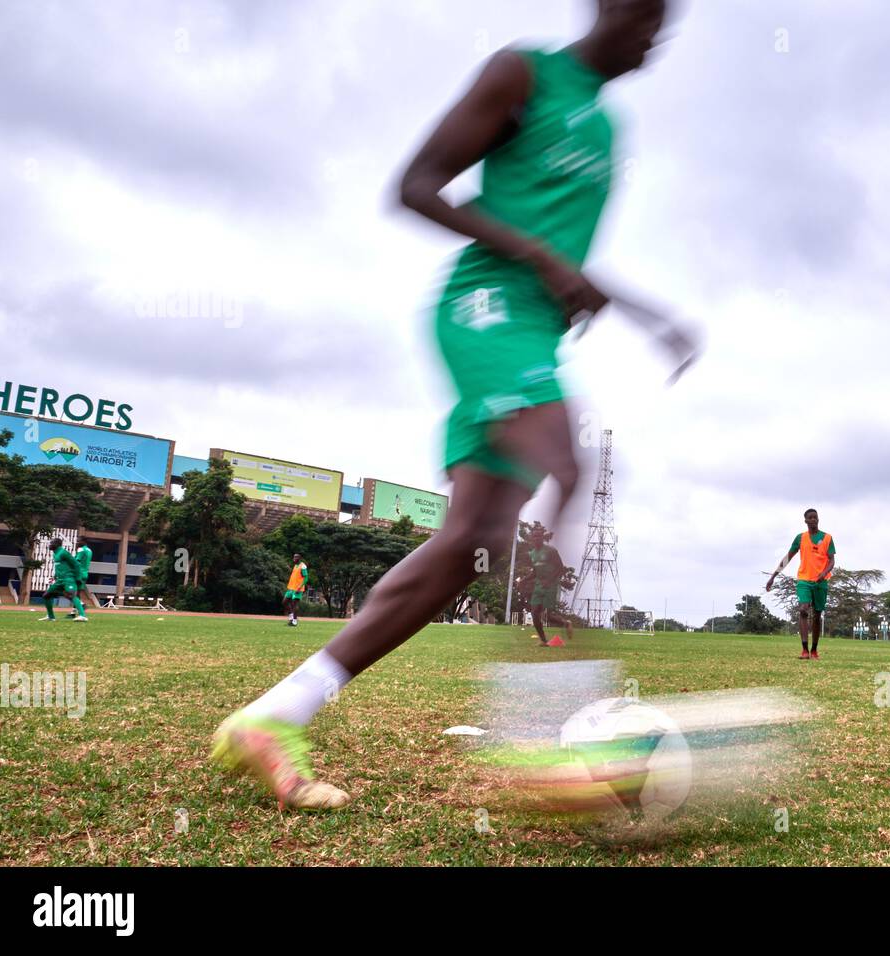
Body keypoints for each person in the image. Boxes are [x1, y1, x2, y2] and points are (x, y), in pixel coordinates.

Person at [212, 0, 680, 810]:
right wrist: (540, 259)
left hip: (532, 331)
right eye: (643, 11)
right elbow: (416, 187)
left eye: (666, 21)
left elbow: (561, 257)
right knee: (573, 465)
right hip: (483, 310)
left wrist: (637, 309)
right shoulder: (525, 75)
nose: (655, 32)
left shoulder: (608, 132)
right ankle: (550, 737)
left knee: (472, 543)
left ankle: (271, 716)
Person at [767, 508, 835, 660]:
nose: (813, 520)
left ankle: (814, 650)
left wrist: (824, 573)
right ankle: (804, 650)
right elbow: (787, 558)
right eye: (810, 518)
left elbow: (832, 560)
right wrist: (773, 576)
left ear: (818, 519)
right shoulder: (800, 538)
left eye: (815, 517)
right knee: (803, 609)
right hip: (804, 580)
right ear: (805, 521)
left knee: (817, 615)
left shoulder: (827, 538)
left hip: (821, 582)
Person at [526, 526, 573, 646]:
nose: (536, 538)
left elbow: (560, 568)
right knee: (534, 612)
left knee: (548, 615)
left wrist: (549, 580)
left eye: (538, 536)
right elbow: (535, 572)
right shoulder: (532, 554)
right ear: (532, 538)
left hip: (551, 586)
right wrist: (524, 580)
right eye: (534, 536)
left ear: (542, 537)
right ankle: (543, 640)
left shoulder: (551, 551)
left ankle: (566, 623)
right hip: (538, 586)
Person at [39, 538, 86, 623]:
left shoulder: (64, 553)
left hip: (69, 579)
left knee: (72, 595)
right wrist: (55, 576)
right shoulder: (55, 554)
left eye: (51, 543)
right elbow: (59, 567)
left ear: (57, 544)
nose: (50, 545)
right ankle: (51, 617)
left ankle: (82, 616)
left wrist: (78, 578)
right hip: (59, 580)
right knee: (46, 596)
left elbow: (76, 564)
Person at [66, 542, 94, 619]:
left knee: (68, 591)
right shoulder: (89, 550)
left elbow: (76, 561)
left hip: (78, 573)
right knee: (77, 592)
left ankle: (81, 604)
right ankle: (73, 612)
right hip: (85, 573)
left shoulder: (81, 549)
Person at [283, 554, 309, 627]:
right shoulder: (295, 565)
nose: (294, 558)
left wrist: (300, 587)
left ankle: (294, 621)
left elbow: (306, 578)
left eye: (296, 557)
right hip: (291, 588)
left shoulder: (303, 566)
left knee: (295, 604)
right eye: (294, 557)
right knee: (284, 601)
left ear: (300, 558)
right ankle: (291, 618)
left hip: (298, 588)